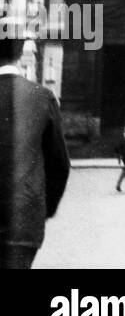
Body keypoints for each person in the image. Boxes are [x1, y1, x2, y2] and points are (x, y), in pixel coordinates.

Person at [0, 28, 70, 268]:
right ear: (21, 52)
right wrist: (44, 209)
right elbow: (59, 164)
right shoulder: (42, 97)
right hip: (23, 221)